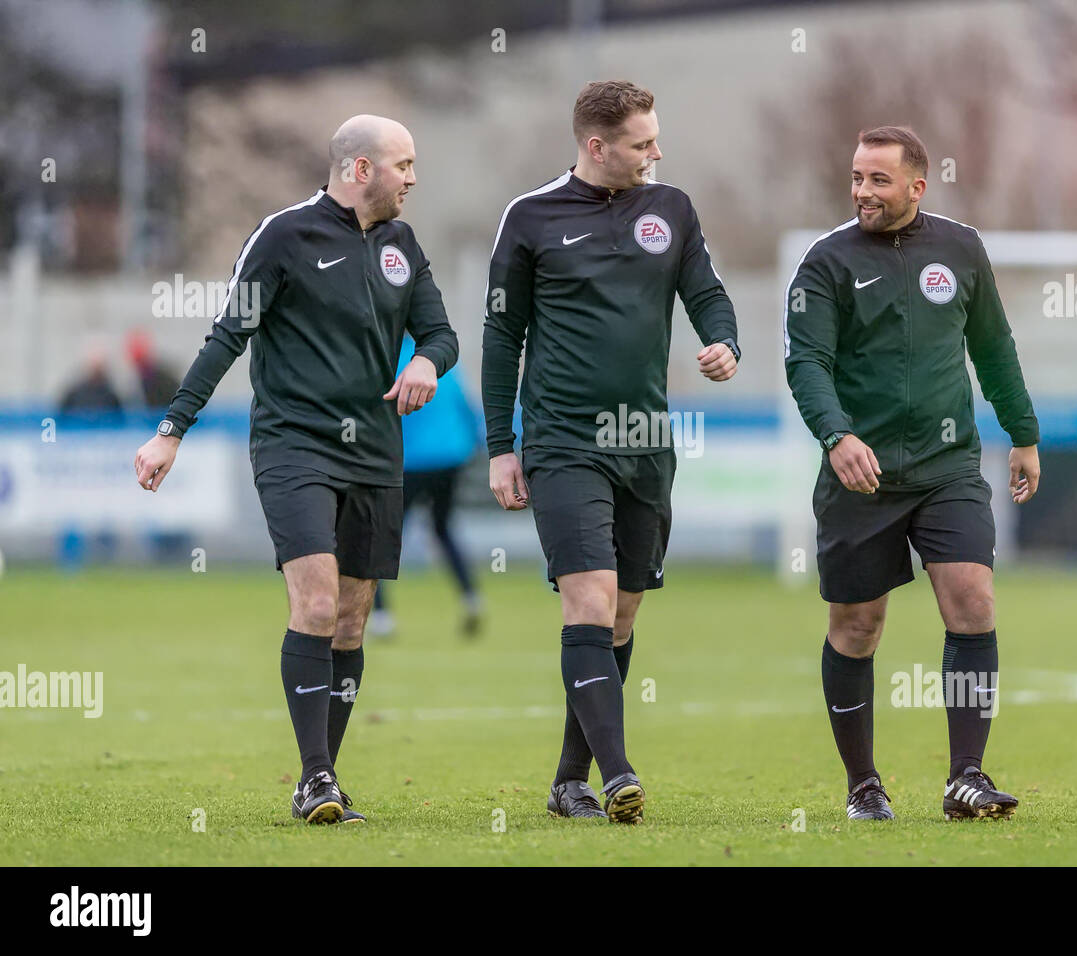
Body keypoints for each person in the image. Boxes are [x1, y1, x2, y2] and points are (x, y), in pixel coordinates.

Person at [133, 114, 459, 825]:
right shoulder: (284, 236)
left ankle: (327, 775)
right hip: (294, 446)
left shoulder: (404, 245)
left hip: (377, 452)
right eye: (403, 164)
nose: (413, 178)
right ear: (361, 169)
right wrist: (170, 430)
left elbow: (439, 331)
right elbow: (228, 336)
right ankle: (314, 779)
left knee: (351, 619)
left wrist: (429, 362)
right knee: (314, 604)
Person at [481, 80, 740, 823]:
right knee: (587, 598)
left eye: (656, 139)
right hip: (564, 439)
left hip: (646, 441)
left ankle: (570, 780)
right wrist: (504, 446)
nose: (656, 153)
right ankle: (619, 772)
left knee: (621, 615)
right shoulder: (530, 218)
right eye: (641, 143)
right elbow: (503, 339)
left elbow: (707, 291)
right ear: (596, 146)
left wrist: (722, 339)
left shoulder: (673, 209)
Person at [783, 126, 1040, 822]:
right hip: (859, 476)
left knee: (972, 602)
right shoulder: (825, 261)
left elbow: (993, 346)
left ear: (917, 187)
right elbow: (805, 363)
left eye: (878, 180)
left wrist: (1022, 432)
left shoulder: (961, 249)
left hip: (946, 464)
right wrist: (836, 437)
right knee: (858, 626)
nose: (863, 191)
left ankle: (967, 777)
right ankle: (863, 784)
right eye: (857, 178)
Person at [369, 339, 484, 639]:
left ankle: (381, 615)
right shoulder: (439, 362)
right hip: (451, 456)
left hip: (412, 460)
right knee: (442, 527)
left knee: (382, 536)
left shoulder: (388, 358)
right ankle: (471, 598)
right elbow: (467, 411)